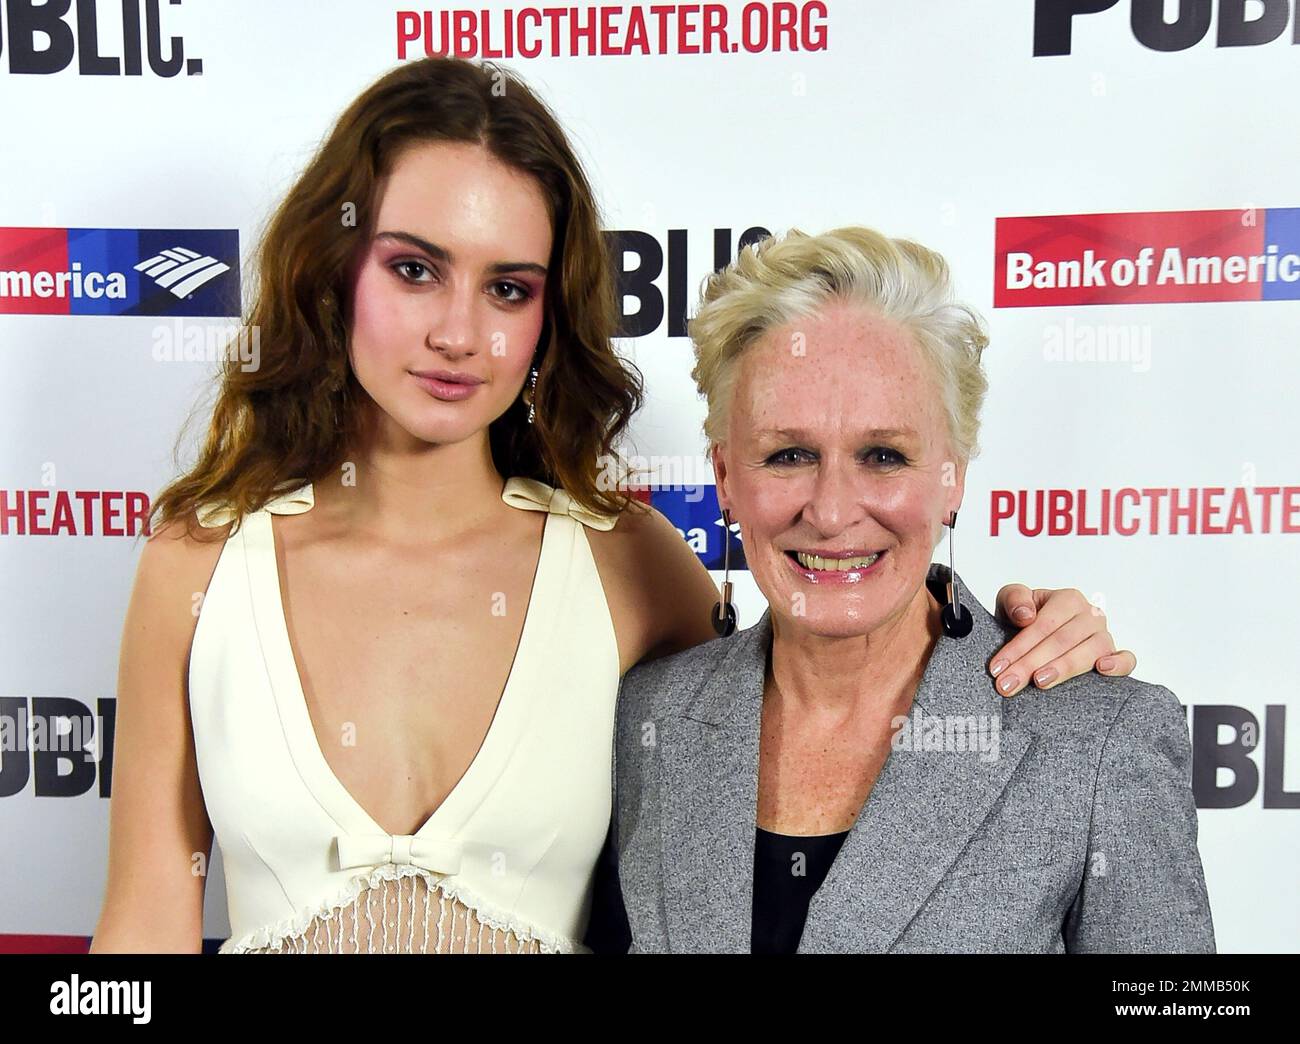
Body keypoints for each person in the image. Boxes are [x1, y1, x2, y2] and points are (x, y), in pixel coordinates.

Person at [91, 58, 1138, 955]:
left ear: (551, 312)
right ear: (335, 268)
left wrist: (1013, 640)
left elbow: (821, 685)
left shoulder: (626, 565)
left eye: (509, 287)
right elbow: (142, 927)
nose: (460, 333)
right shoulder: (200, 563)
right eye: (415, 269)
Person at [603, 226, 1214, 953]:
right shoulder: (647, 721)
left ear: (952, 478)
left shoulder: (1100, 741)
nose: (831, 511)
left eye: (883, 455)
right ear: (727, 477)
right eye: (788, 454)